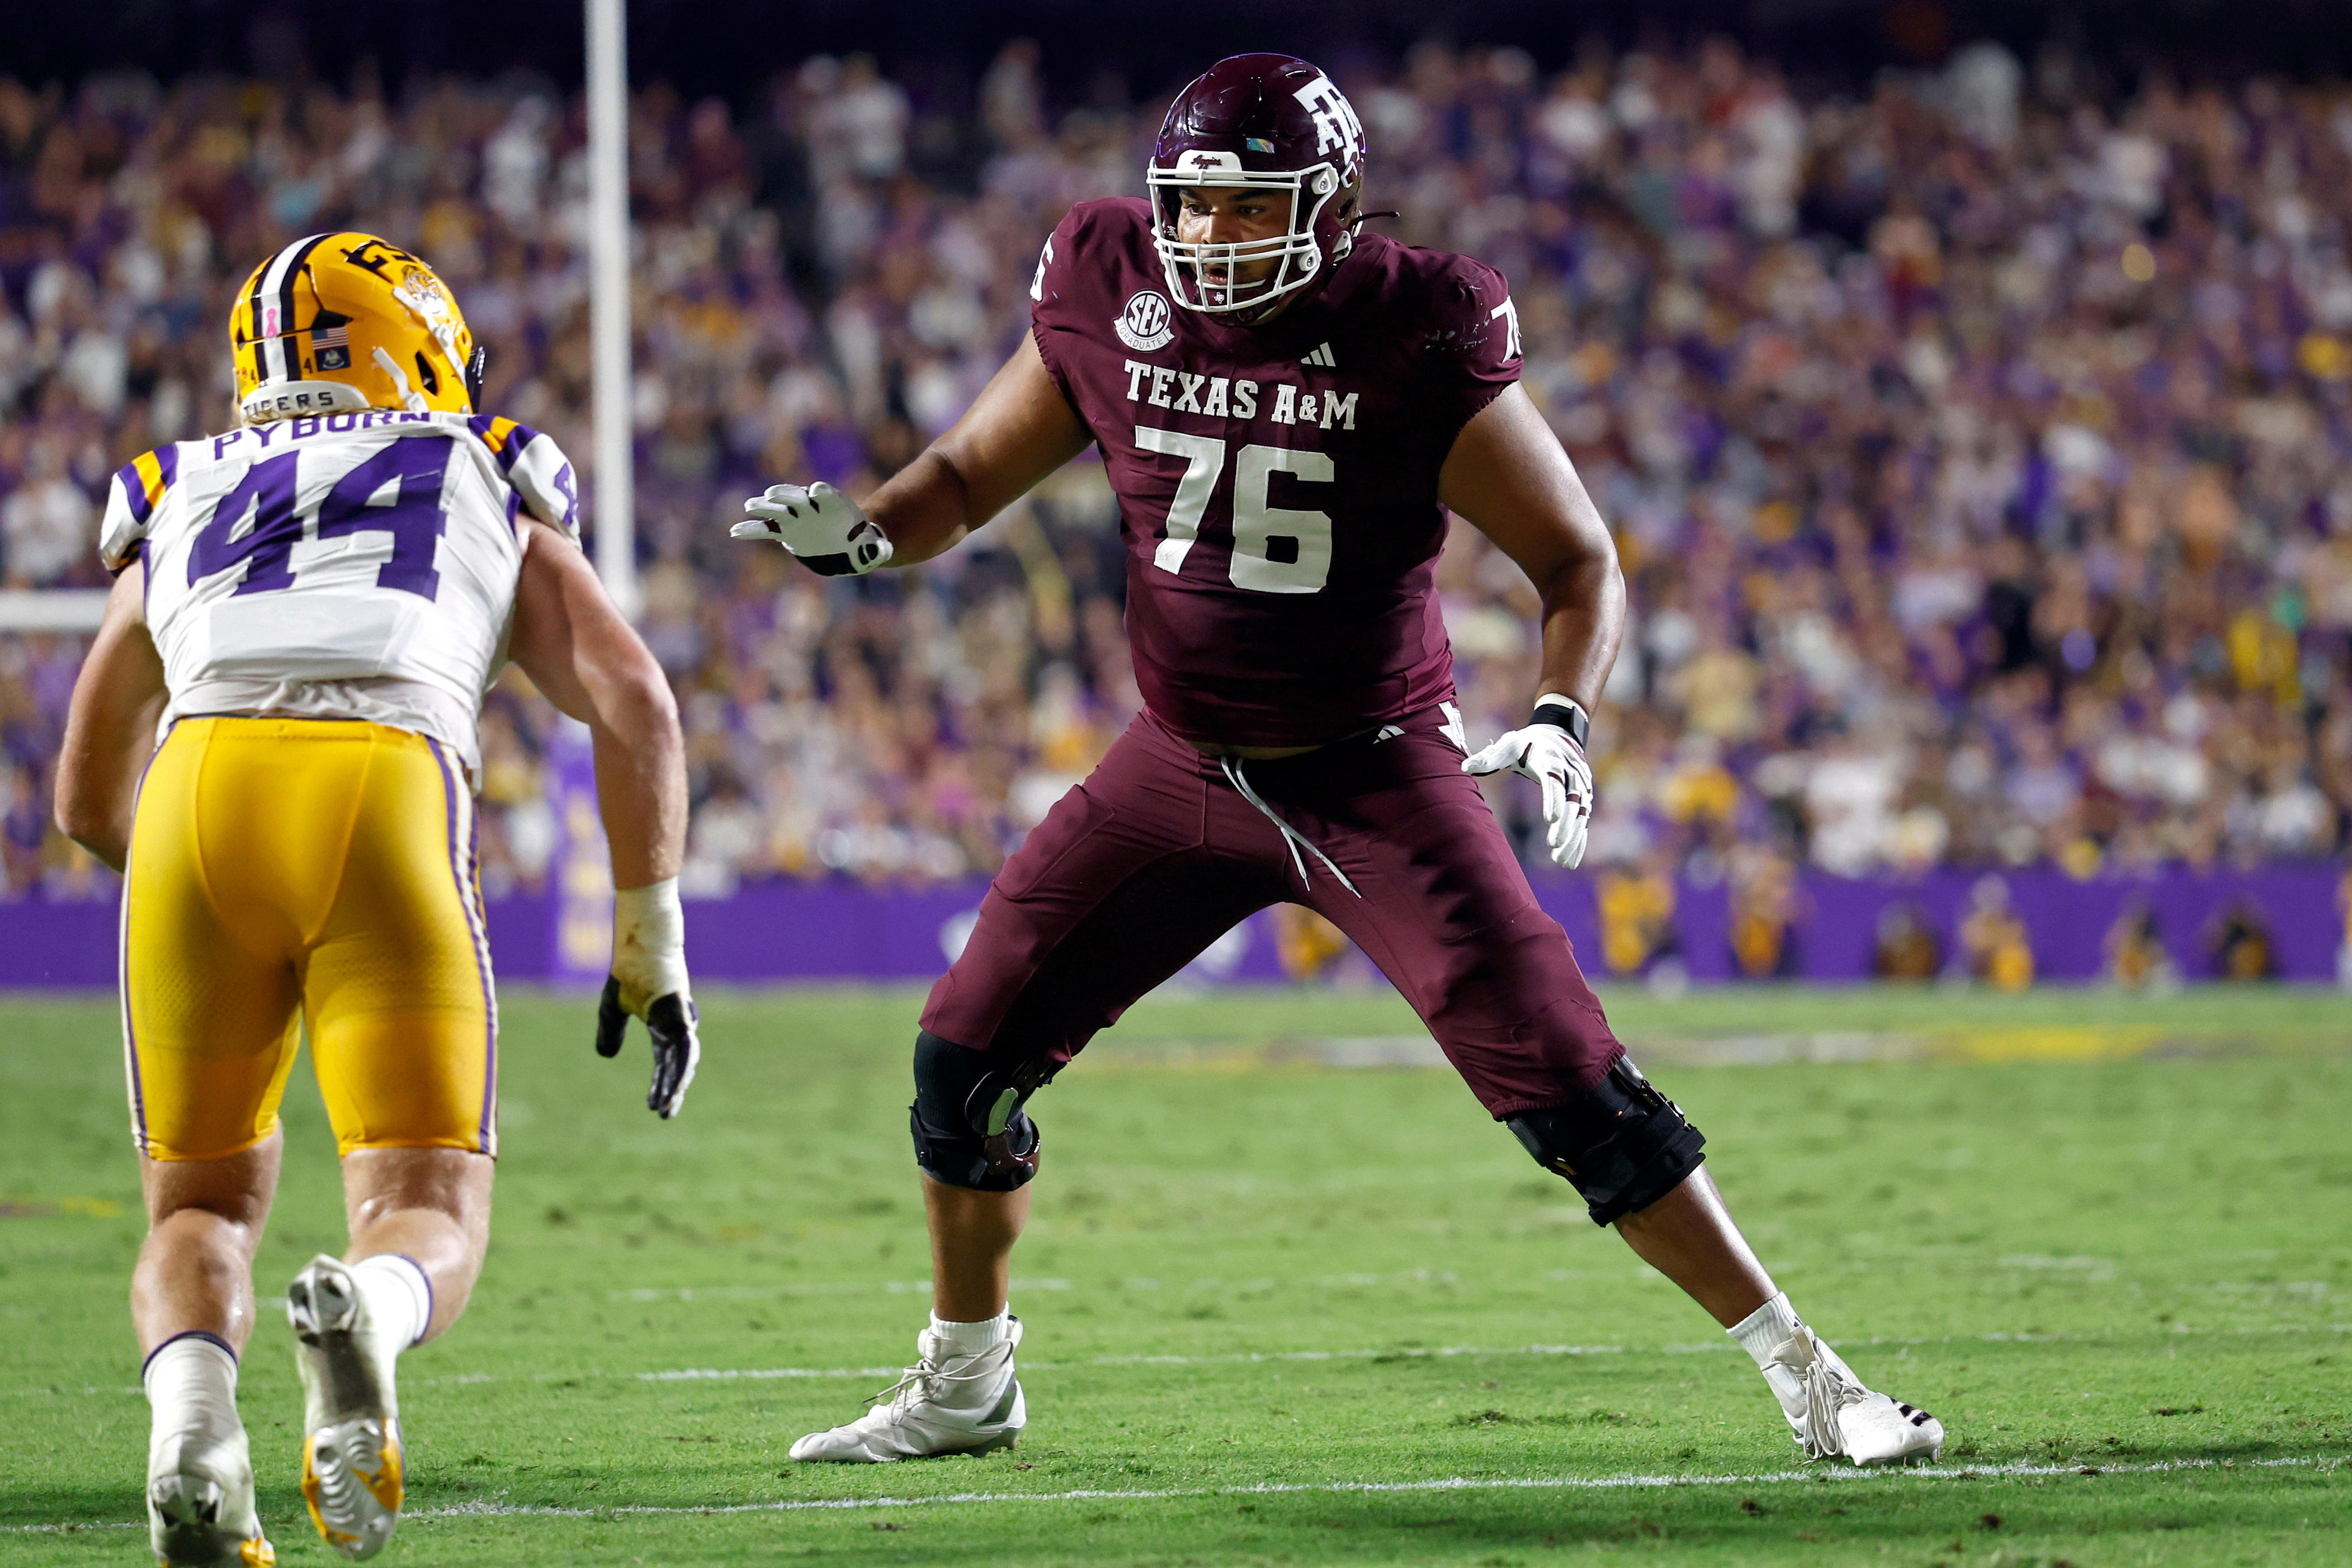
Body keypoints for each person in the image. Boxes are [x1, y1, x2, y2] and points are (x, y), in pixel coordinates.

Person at [737, 54, 1942, 1471]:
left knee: (1572, 1090)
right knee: (961, 1064)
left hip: (1375, 777)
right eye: (1191, 206)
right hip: (1177, 768)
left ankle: (1813, 1378)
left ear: (1332, 211)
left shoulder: (1415, 323)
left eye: (1250, 212)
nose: (1207, 238)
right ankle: (966, 1381)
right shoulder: (1102, 280)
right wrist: (873, 534)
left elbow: (1577, 560)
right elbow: (960, 476)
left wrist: (1561, 714)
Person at [55, 233, 700, 1565]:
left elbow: (78, 795)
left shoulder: (178, 487)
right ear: (411, 343)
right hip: (383, 780)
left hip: (193, 789)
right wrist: (649, 934)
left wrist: (200, 884)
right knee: (425, 1196)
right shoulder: (479, 464)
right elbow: (633, 697)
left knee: (198, 1205)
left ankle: (192, 1432)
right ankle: (369, 1309)